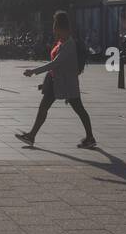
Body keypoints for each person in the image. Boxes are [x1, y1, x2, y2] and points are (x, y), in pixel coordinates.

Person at [18, 10, 96, 149]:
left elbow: (55, 63)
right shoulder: (62, 42)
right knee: (44, 108)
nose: (53, 30)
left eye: (55, 27)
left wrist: (33, 72)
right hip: (56, 82)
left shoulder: (68, 45)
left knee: (79, 109)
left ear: (62, 28)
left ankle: (90, 137)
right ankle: (31, 136)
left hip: (66, 84)